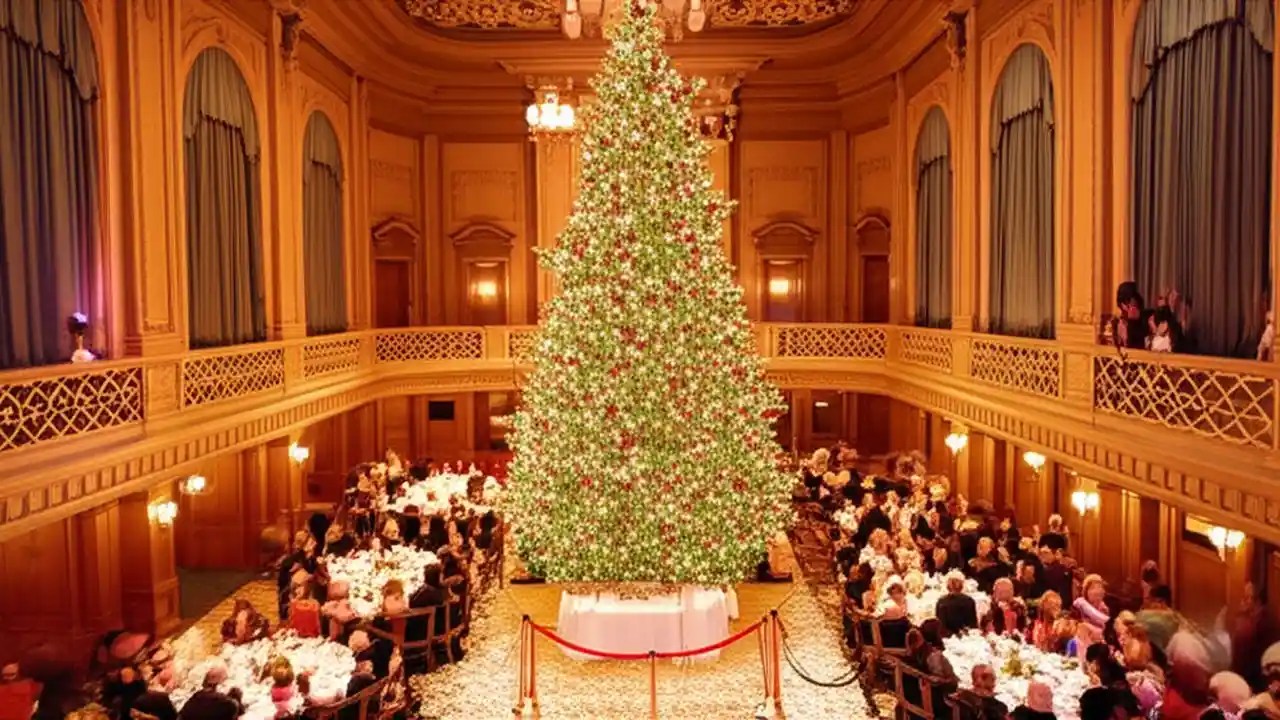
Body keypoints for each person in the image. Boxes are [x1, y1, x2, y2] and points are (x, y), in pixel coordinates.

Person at [176, 667, 242, 720]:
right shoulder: (227, 703)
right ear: (220, 683)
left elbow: (181, 716)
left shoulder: (196, 697)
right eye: (226, 679)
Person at [935, 571, 979, 637]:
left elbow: (940, 625)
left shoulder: (941, 601)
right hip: (966, 637)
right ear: (962, 585)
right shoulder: (969, 601)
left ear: (947, 586)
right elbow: (973, 625)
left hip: (947, 638)